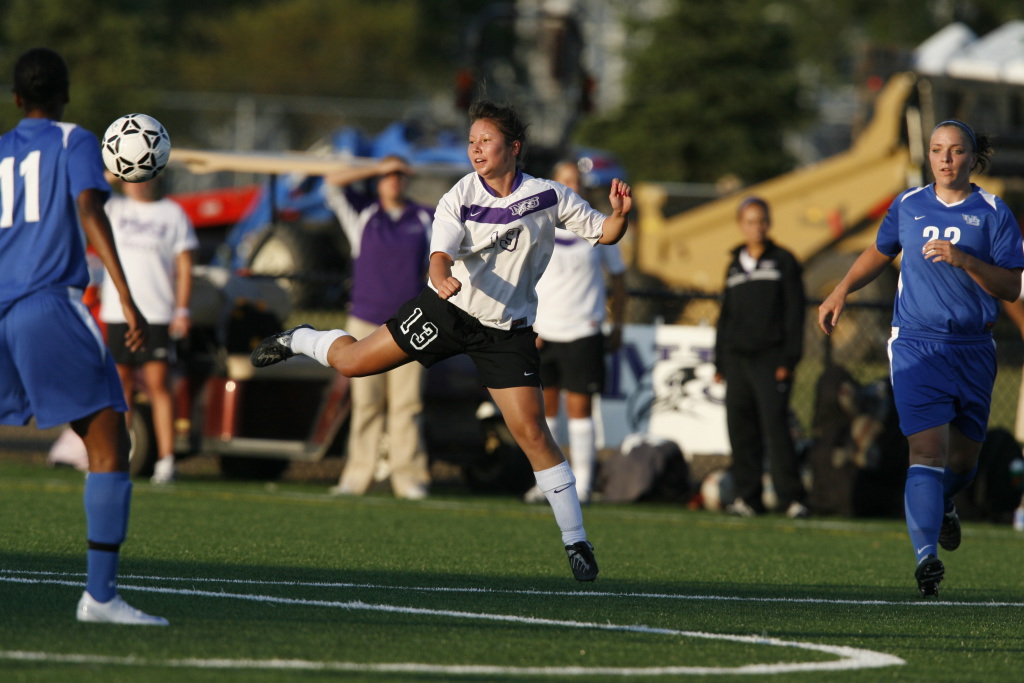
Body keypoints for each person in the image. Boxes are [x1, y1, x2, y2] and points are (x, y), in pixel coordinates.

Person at [251, 99, 631, 581]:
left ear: (514, 147)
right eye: (471, 141)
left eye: (485, 141)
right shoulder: (461, 193)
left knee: (534, 434)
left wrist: (619, 215)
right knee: (352, 364)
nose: (475, 149)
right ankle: (301, 337)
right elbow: (439, 252)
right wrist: (441, 272)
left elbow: (606, 233)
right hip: (446, 310)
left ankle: (576, 542)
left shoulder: (550, 196)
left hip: (505, 335)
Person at [818, 119, 1024, 598]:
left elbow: (1013, 286)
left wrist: (966, 260)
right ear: (927, 156)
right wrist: (841, 290)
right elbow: (879, 250)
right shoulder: (908, 205)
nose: (945, 159)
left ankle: (946, 503)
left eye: (955, 151)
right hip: (915, 345)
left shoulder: (993, 212)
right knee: (926, 453)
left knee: (964, 462)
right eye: (937, 150)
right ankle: (926, 559)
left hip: (973, 349)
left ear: (973, 158)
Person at [0, 47, 167, 624]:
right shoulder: (73, 140)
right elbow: (90, 208)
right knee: (108, 441)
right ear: (65, 93)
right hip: (45, 304)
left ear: (17, 98)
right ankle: (100, 597)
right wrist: (125, 293)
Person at [321, 156, 432, 499]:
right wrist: (377, 166)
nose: (394, 181)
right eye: (388, 176)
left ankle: (409, 478)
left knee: (406, 404)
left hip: (410, 324)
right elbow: (332, 181)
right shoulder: (363, 213)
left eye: (400, 176)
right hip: (366, 321)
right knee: (366, 403)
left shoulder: (424, 217)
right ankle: (357, 476)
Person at [523, 159, 627, 504]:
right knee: (546, 410)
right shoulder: (539, 224)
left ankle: (582, 482)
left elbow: (619, 277)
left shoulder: (596, 223)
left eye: (576, 179)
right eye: (565, 179)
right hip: (544, 331)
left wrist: (617, 323)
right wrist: (529, 322)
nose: (572, 184)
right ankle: (550, 483)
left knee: (580, 408)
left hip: (584, 328)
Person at [714, 197, 808, 519]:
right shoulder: (734, 264)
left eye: (762, 221)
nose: (757, 227)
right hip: (737, 360)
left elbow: (795, 314)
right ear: (741, 225)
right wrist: (719, 362)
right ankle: (747, 497)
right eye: (751, 221)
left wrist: (789, 359)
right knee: (742, 432)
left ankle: (792, 499)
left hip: (771, 359)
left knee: (777, 430)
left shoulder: (784, 261)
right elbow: (725, 317)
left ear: (769, 223)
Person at [100, 174, 197, 485]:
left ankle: (166, 460)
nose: (138, 182)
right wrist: (118, 168)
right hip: (118, 312)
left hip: (156, 312)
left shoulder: (173, 213)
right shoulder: (113, 207)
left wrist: (181, 310)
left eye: (144, 176)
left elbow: (184, 266)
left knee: (157, 385)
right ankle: (119, 454)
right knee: (120, 386)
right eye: (132, 177)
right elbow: (90, 188)